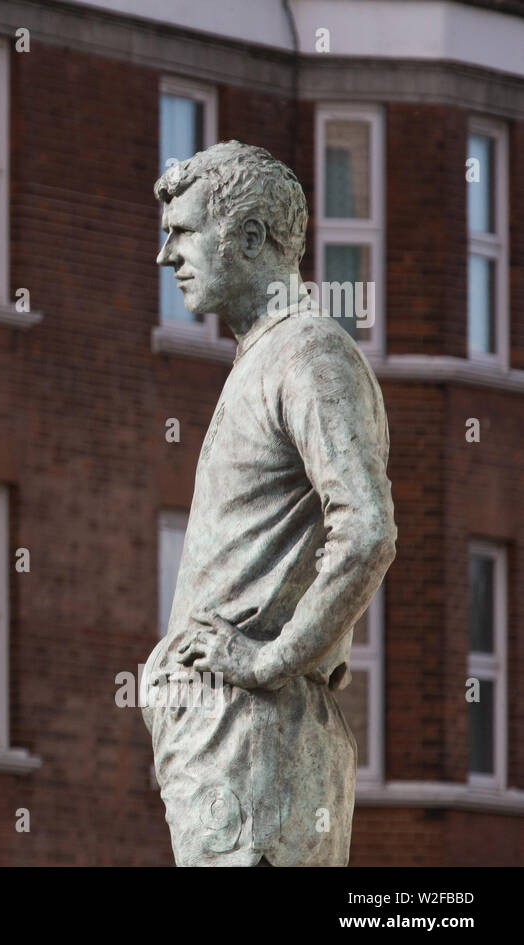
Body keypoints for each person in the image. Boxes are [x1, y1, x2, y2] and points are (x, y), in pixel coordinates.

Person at [143, 141, 397, 866]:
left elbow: (369, 529)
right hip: (228, 733)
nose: (167, 256)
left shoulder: (307, 354)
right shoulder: (264, 357)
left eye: (184, 232)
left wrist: (272, 660)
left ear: (250, 237)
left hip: (255, 733)